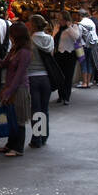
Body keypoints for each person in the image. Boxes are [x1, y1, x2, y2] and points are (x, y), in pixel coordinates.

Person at [0, 21, 33, 156]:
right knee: (9, 116)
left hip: (19, 89)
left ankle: (18, 147)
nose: (10, 37)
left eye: (12, 34)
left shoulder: (25, 52)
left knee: (18, 118)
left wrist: (8, 91)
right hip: (11, 87)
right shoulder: (15, 49)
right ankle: (10, 144)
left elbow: (19, 75)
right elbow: (3, 64)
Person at [27, 14, 55, 148]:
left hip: (32, 76)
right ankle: (44, 136)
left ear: (32, 25)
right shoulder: (50, 39)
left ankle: (36, 138)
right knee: (44, 109)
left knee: (36, 109)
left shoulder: (29, 41)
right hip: (46, 77)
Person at [54, 12, 79, 105]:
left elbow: (76, 37)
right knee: (59, 76)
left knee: (68, 76)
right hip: (58, 54)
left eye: (61, 19)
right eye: (59, 19)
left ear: (66, 19)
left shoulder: (73, 27)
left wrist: (69, 28)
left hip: (69, 54)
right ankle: (60, 95)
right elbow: (54, 38)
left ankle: (66, 97)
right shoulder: (57, 27)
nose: (60, 21)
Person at [77, 9, 98, 86]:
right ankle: (88, 82)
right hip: (91, 45)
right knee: (89, 63)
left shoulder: (81, 24)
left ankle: (84, 82)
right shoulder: (91, 22)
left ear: (80, 16)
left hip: (82, 45)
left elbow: (78, 36)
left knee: (83, 63)